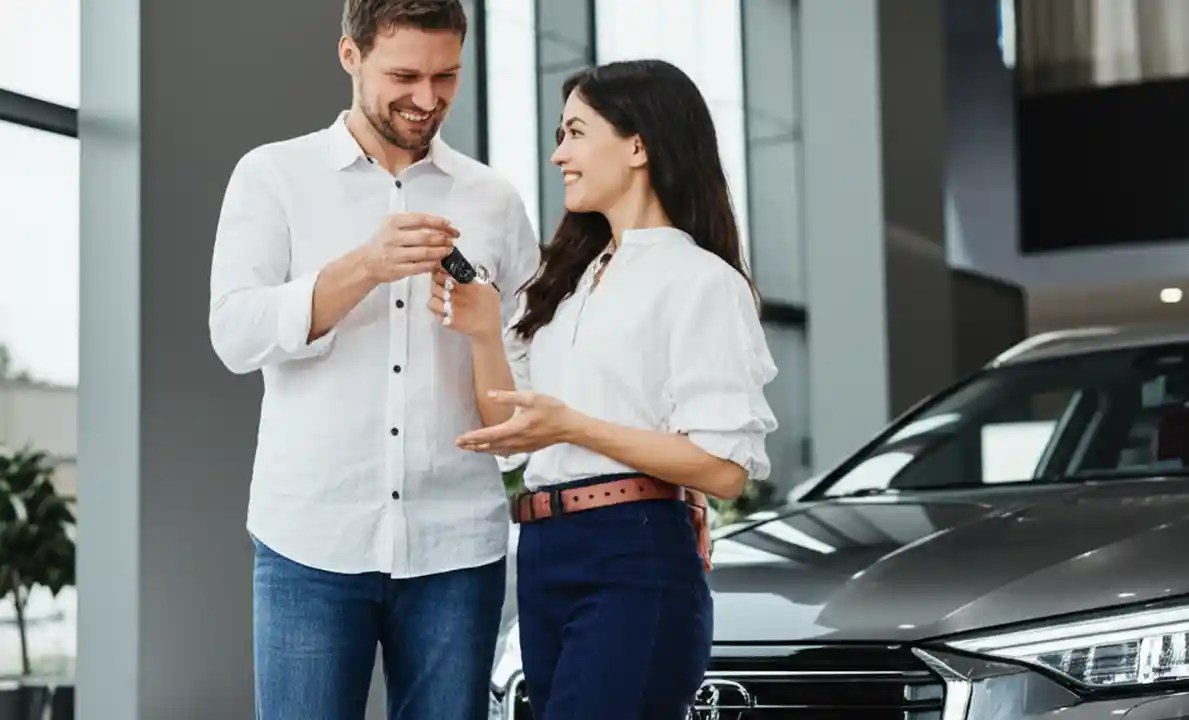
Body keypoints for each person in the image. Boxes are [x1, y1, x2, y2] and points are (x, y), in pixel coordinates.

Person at [207, 1, 540, 718]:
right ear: (350, 56)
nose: (427, 99)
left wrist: (484, 333)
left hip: (458, 547)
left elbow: (529, 378)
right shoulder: (273, 176)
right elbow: (235, 333)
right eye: (405, 75)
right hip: (310, 539)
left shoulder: (496, 201)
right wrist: (362, 267)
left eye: (446, 75)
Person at [435, 59, 778, 719]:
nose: (558, 153)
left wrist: (572, 427)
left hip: (634, 553)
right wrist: (482, 331)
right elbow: (507, 433)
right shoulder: (565, 284)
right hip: (543, 556)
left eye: (575, 132)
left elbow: (724, 469)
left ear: (638, 146)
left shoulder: (702, 282)